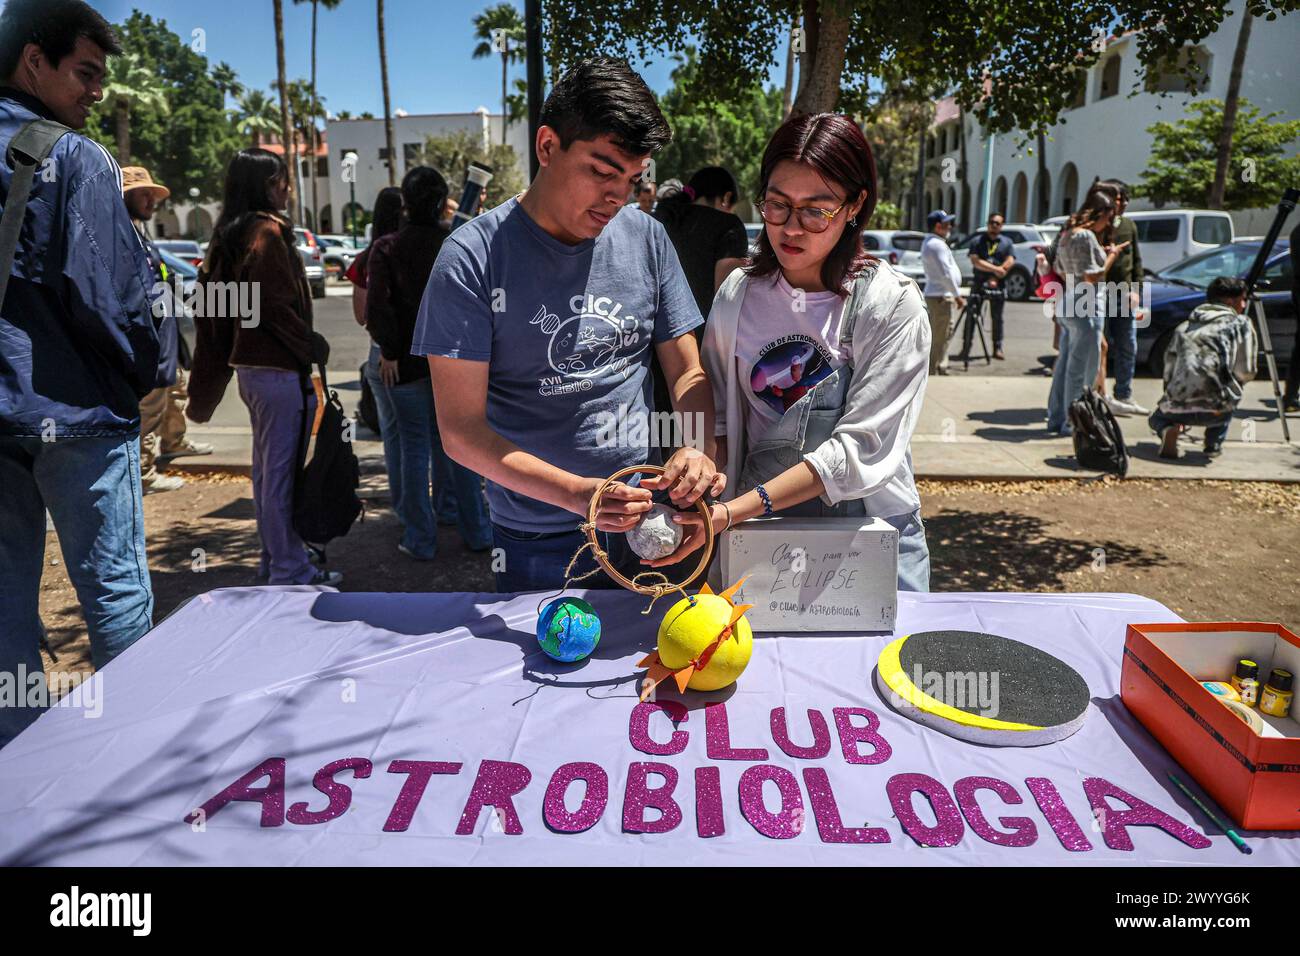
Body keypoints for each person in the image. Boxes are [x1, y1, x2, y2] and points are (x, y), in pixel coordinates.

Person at [415, 56, 722, 593]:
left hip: (650, 517)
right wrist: (580, 495)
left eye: (631, 178)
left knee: (657, 668)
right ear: (548, 147)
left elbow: (687, 368)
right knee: (538, 673)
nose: (617, 196)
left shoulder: (646, 238)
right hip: (538, 535)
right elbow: (460, 431)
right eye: (603, 172)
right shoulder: (472, 257)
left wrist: (696, 447)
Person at [675, 112, 932, 592]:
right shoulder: (738, 295)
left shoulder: (890, 303)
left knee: (880, 667)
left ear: (856, 204)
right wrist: (699, 461)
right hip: (759, 537)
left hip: (868, 539)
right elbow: (722, 420)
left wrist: (734, 512)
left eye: (817, 210)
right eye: (777, 205)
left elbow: (859, 451)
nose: (792, 228)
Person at [0, 0, 161, 749]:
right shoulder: (73, 157)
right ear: (35, 60)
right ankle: (133, 764)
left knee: (5, 612)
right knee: (114, 594)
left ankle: (19, 772)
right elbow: (117, 301)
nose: (97, 91)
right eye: (86, 73)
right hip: (80, 417)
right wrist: (155, 369)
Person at [188, 148, 339, 586]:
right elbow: (272, 306)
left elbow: (215, 310)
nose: (286, 188)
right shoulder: (265, 234)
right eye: (279, 180)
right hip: (276, 370)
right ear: (262, 186)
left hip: (253, 371)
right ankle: (290, 570)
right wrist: (310, 344)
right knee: (279, 477)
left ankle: (278, 562)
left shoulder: (227, 237)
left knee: (267, 474)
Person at [366, 165, 492, 559]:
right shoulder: (456, 243)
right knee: (463, 449)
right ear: (442, 201)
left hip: (403, 365)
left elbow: (378, 309)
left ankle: (421, 538)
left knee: (414, 450)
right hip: (454, 366)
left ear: (404, 202)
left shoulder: (386, 247)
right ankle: (475, 530)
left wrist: (389, 351)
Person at [124, 165, 213, 495]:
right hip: (148, 341)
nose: (151, 200)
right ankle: (144, 472)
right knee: (150, 406)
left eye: (152, 194)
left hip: (166, 337)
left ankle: (175, 442)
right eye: (143, 194)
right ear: (125, 197)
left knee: (176, 390)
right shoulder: (120, 237)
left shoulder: (141, 236)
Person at [1045, 191, 1128, 435]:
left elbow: (1059, 269)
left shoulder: (1066, 235)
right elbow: (1094, 275)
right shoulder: (1086, 236)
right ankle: (1072, 422)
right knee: (1080, 370)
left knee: (1064, 366)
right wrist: (1111, 255)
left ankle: (1056, 416)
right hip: (1086, 305)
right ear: (1101, 213)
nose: (1109, 223)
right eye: (1109, 217)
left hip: (1069, 301)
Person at [347, 186, 406, 525]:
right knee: (422, 440)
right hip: (414, 357)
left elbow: (361, 315)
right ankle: (438, 508)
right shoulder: (416, 249)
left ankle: (403, 508)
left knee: (393, 438)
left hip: (378, 353)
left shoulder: (366, 257)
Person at [1149, 276, 1256, 460]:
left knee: (1155, 419)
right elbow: (1245, 371)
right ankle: (1213, 443)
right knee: (1229, 385)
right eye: (1243, 299)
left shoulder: (1184, 327)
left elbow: (1169, 371)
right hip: (1217, 410)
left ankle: (1167, 429)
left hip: (1179, 407)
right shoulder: (1240, 324)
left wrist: (1172, 396)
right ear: (1230, 301)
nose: (1245, 305)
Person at [1092, 179, 1148, 417]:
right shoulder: (1096, 224)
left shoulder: (1129, 225)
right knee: (1099, 347)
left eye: (1126, 199)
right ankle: (1098, 395)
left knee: (1128, 345)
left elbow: (1136, 261)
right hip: (1097, 293)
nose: (1123, 203)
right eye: (1119, 199)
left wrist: (1136, 290)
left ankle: (1124, 393)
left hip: (1124, 295)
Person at [921, 208, 965, 375]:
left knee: (943, 334)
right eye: (947, 224)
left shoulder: (933, 243)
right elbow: (945, 274)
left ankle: (938, 366)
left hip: (939, 295)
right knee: (939, 337)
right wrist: (957, 296)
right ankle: (933, 370)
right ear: (938, 226)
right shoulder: (936, 245)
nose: (950, 227)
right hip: (940, 296)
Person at [967, 212, 1014, 360]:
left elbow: (1010, 259)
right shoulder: (977, 241)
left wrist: (997, 274)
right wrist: (995, 270)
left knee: (997, 317)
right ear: (988, 224)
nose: (994, 225)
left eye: (997, 223)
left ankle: (997, 347)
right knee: (971, 316)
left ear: (1001, 226)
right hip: (979, 282)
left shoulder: (1006, 242)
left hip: (998, 283)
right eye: (992, 222)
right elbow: (976, 261)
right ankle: (966, 346)